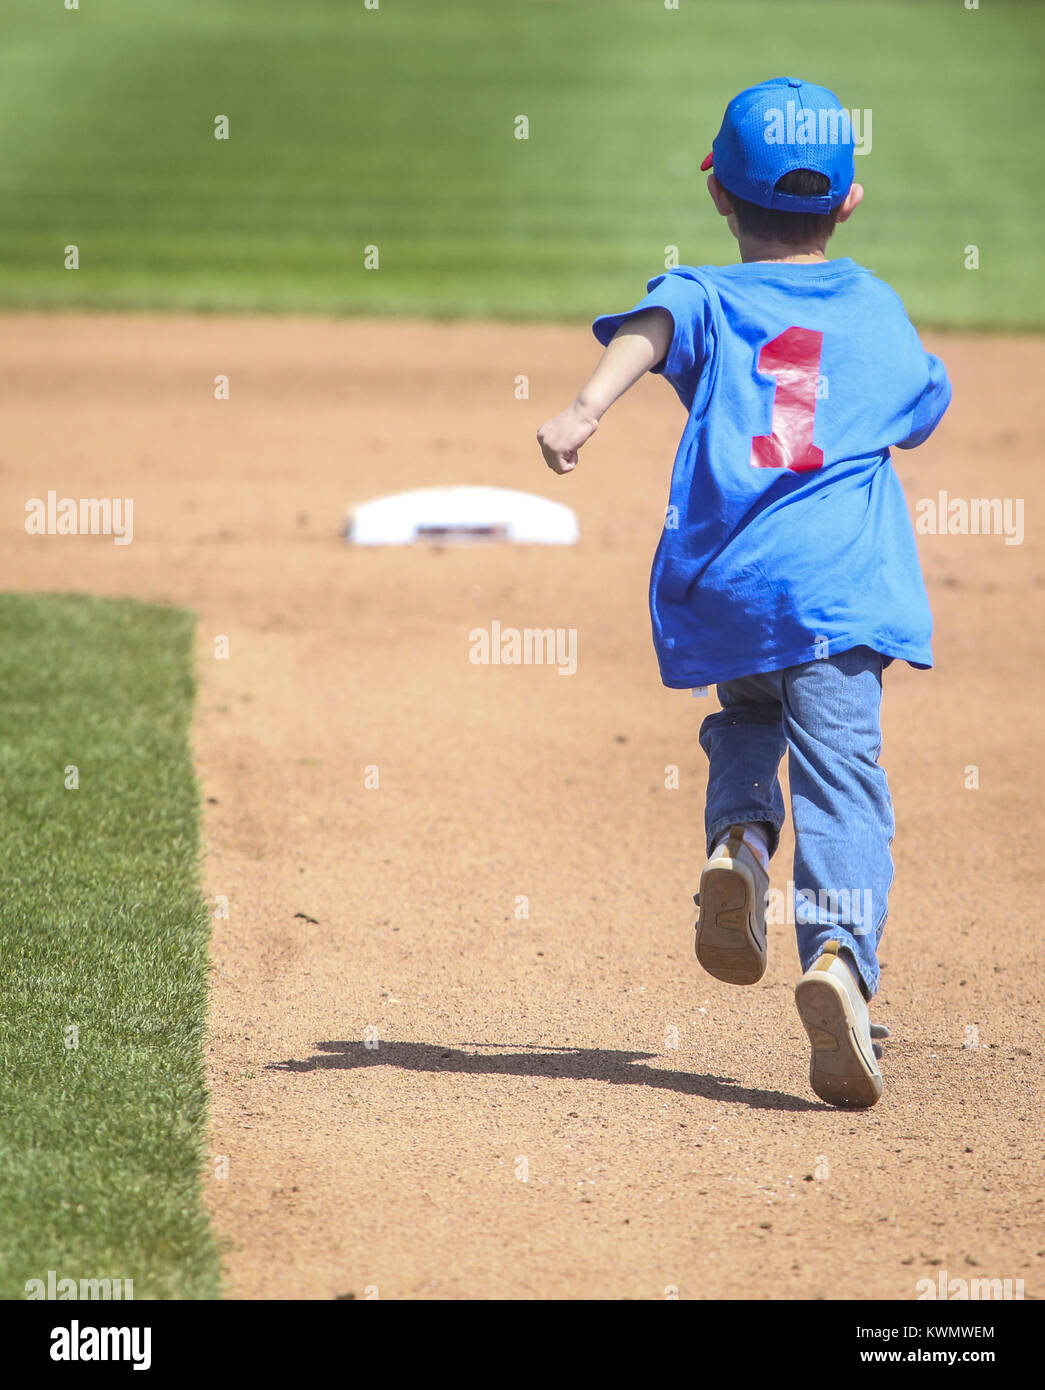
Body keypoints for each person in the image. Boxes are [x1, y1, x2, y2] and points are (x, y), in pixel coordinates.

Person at [536, 77, 951, 1108]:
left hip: (732, 590)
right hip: (839, 599)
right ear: (848, 203)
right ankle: (839, 962)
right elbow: (921, 406)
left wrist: (583, 412)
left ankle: (738, 841)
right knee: (842, 775)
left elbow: (650, 322)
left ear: (716, 192)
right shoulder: (874, 306)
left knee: (749, 714)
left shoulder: (705, 294)